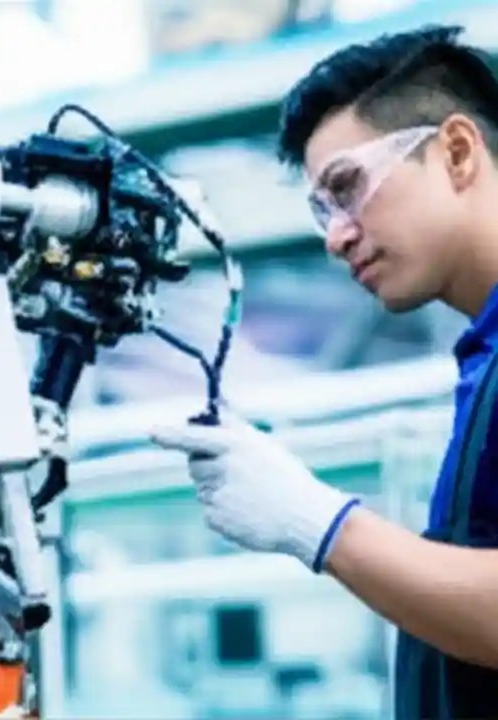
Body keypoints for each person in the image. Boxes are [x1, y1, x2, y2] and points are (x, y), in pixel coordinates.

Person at [149, 25, 498, 720]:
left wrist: (321, 523)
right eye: (322, 210)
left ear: (457, 152)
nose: (336, 236)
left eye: (348, 188)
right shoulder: (482, 360)